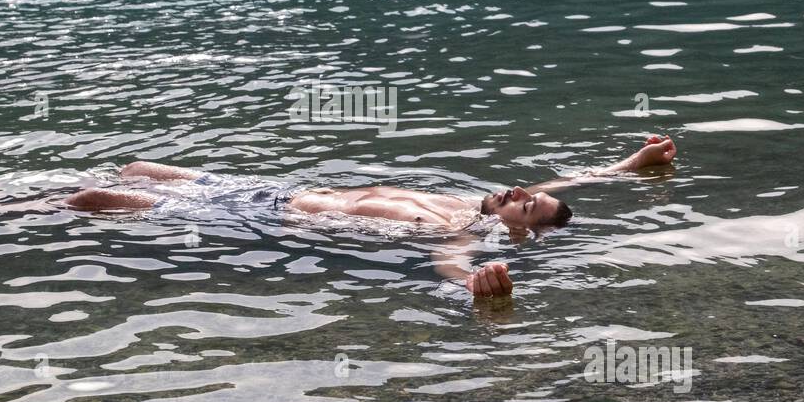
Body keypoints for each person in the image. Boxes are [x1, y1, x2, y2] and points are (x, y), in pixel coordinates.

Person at [61, 135, 678, 299]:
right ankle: (16, 199)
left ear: (525, 229)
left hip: (258, 218)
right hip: (269, 189)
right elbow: (574, 179)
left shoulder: (464, 229)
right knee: (139, 167)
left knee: (93, 200)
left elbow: (450, 263)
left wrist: (471, 286)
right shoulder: (478, 202)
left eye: (526, 203)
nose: (518, 191)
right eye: (522, 191)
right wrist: (635, 162)